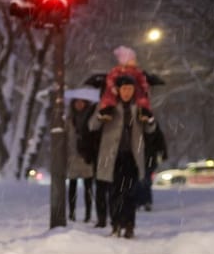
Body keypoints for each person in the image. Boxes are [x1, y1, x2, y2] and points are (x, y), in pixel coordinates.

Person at [89, 75, 157, 239]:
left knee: (130, 193)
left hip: (132, 157)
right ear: (118, 90)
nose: (126, 92)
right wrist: (101, 116)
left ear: (134, 91)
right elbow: (92, 126)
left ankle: (129, 225)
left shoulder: (139, 107)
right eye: (124, 89)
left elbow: (150, 129)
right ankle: (116, 224)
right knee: (114, 192)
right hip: (113, 157)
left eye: (130, 89)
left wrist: (149, 119)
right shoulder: (108, 105)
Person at [65, 97, 97, 222]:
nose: (79, 104)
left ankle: (88, 213)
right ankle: (72, 213)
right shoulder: (69, 120)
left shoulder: (90, 118)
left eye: (81, 102)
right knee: (72, 187)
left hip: (86, 157)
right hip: (72, 156)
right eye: (76, 102)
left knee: (88, 187)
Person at [98, 45, 152, 114]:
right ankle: (107, 109)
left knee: (141, 95)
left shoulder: (136, 71)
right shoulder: (118, 70)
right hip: (119, 88)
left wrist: (144, 85)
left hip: (133, 88)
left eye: (134, 59)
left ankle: (144, 110)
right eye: (132, 59)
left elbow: (141, 78)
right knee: (110, 96)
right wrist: (112, 87)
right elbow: (110, 78)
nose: (134, 61)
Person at [143, 126, 168, 211]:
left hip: (148, 158)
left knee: (144, 180)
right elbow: (161, 141)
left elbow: (160, 141)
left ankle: (145, 201)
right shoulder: (152, 126)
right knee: (145, 180)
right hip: (148, 157)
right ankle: (145, 201)